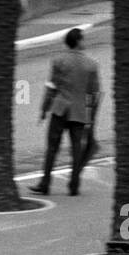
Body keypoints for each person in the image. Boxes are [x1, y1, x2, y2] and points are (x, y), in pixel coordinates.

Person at [31, 27, 99, 196]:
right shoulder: (91, 64)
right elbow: (94, 93)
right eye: (83, 39)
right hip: (80, 111)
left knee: (52, 147)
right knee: (76, 149)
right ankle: (74, 185)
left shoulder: (58, 61)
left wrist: (44, 109)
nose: (85, 42)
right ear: (78, 41)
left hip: (60, 109)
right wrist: (91, 117)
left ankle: (45, 184)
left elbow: (51, 89)